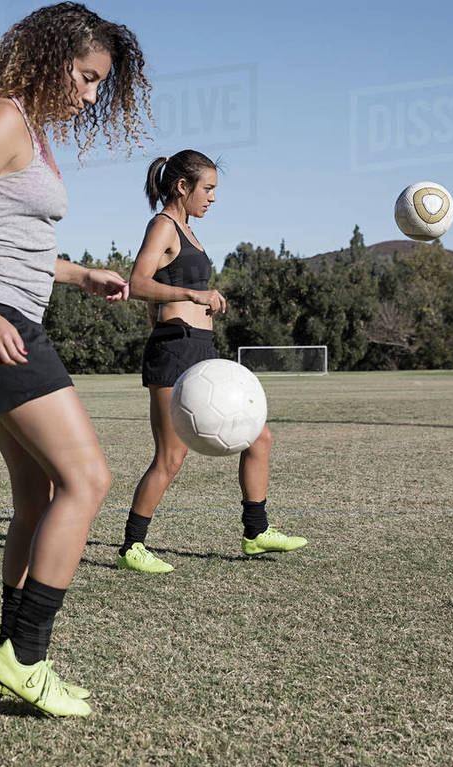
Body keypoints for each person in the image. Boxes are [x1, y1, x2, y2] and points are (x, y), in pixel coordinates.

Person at [0, 2, 150, 717]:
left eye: (97, 85)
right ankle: (27, 658)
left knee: (38, 497)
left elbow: (14, 241)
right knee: (89, 478)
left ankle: (6, 658)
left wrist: (82, 275)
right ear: (50, 60)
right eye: (83, 78)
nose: (88, 95)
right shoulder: (4, 119)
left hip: (5, 312)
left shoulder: (33, 134)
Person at [118, 150, 307, 574]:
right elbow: (138, 282)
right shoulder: (163, 225)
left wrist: (192, 298)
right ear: (182, 187)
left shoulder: (189, 230)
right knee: (171, 457)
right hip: (175, 349)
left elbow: (163, 285)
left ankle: (255, 533)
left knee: (259, 438)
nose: (213, 198)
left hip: (201, 351)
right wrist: (192, 296)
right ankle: (132, 546)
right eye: (208, 188)